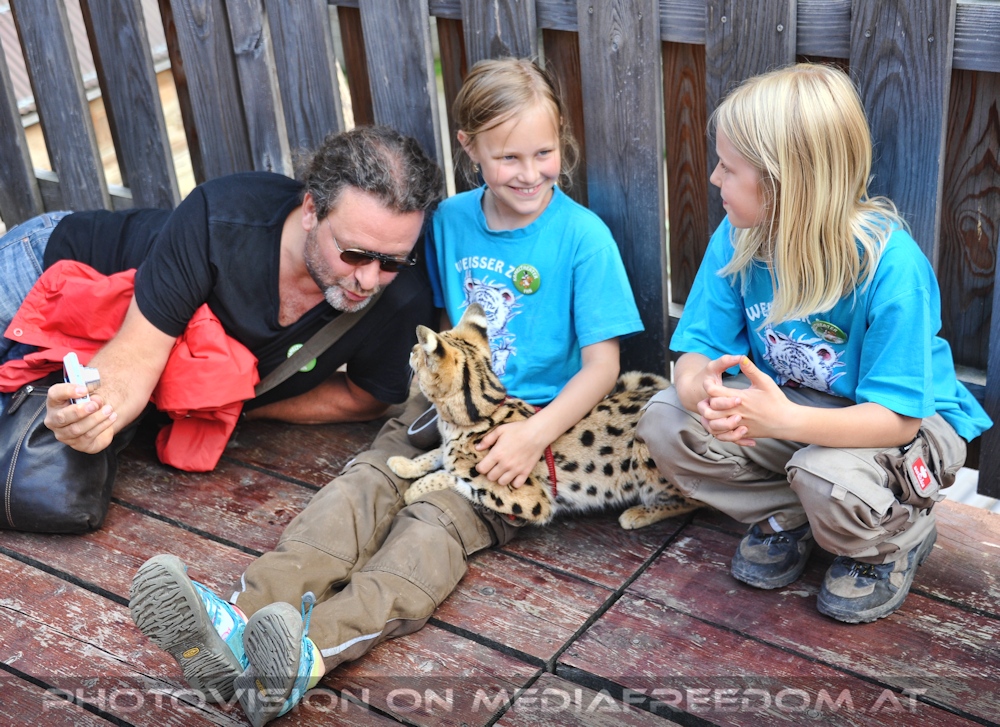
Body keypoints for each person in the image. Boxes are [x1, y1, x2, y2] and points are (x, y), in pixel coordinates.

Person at [129, 57, 643, 726]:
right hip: (433, 409)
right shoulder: (448, 222)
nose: (528, 171)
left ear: (562, 145)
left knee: (430, 532)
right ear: (470, 149)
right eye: (508, 155)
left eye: (544, 152)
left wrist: (531, 436)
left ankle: (305, 654)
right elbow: (388, 280)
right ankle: (239, 619)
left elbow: (603, 368)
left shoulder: (582, 237)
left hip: (525, 434)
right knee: (360, 486)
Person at [635, 63, 992, 624]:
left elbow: (896, 419)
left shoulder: (889, 267)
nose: (713, 179)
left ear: (783, 183)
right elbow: (698, 348)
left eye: (729, 168)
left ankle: (893, 539)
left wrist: (780, 422)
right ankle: (792, 516)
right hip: (796, 412)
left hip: (898, 427)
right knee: (666, 419)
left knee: (828, 476)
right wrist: (702, 389)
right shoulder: (740, 237)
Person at [0, 126, 442, 449]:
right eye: (354, 253)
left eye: (392, 261)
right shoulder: (223, 217)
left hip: (73, 358)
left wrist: (241, 405)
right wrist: (95, 412)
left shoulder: (402, 294)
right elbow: (136, 355)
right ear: (311, 209)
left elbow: (367, 398)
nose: (368, 279)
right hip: (50, 267)